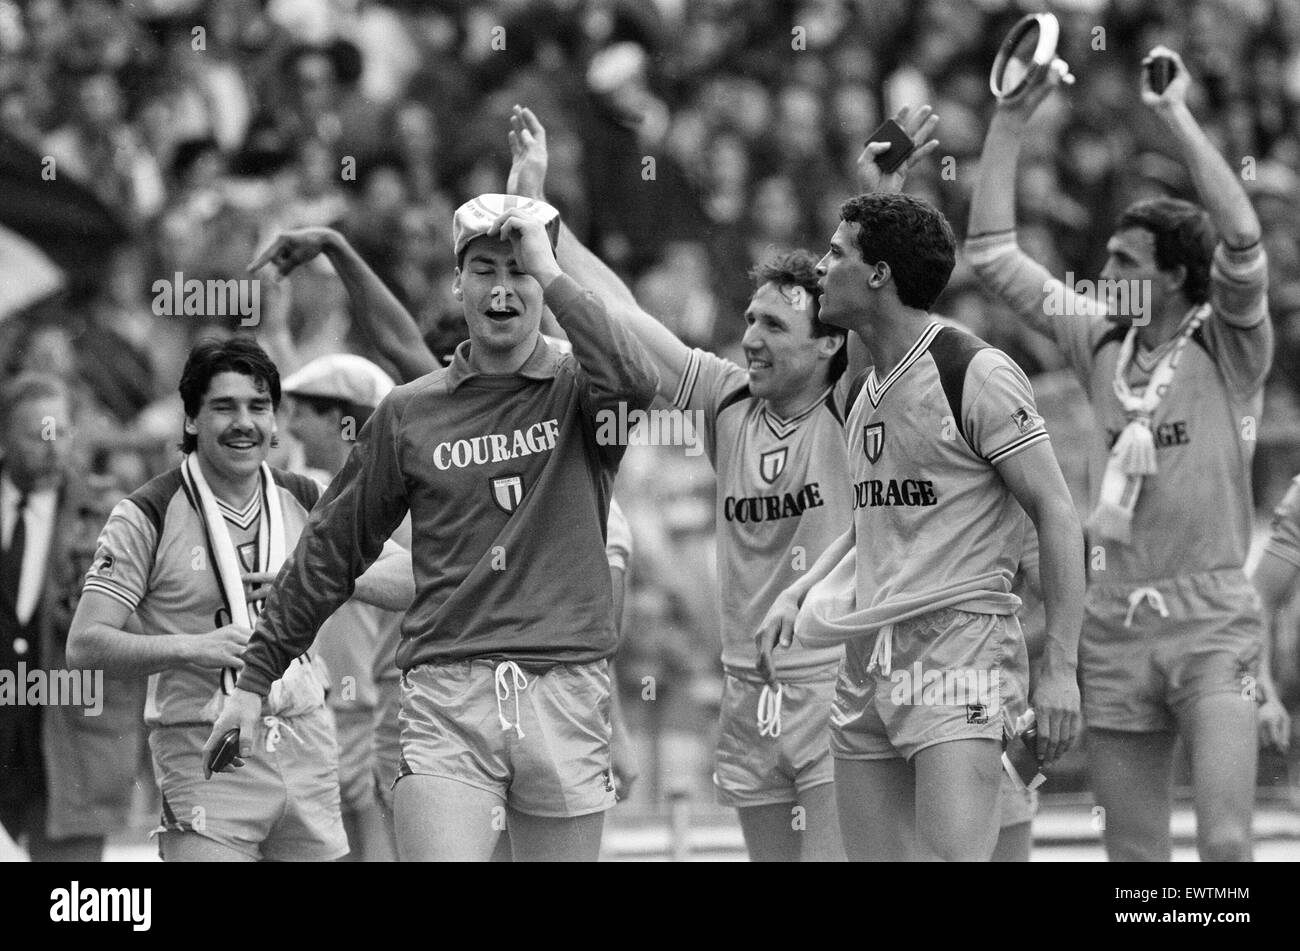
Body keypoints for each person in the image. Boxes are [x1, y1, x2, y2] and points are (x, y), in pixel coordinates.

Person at [504, 104, 935, 861]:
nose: (752, 338)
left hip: (839, 681)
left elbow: (881, 307)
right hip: (748, 689)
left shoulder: (855, 400)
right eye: (750, 319)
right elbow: (623, 313)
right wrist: (542, 217)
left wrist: (882, 192)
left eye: (775, 326)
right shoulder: (725, 398)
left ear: (831, 341)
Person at [204, 195, 659, 861]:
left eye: (518, 269)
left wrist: (554, 269)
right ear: (457, 282)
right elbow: (331, 548)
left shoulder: (579, 390)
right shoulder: (410, 411)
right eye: (483, 269)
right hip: (448, 692)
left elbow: (638, 378)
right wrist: (252, 682)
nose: (502, 287)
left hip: (565, 685)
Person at [967, 46, 1271, 861]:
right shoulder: (1099, 334)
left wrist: (1174, 117)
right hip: (1114, 622)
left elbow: (1241, 239)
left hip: (1211, 621)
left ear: (1174, 277)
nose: (1103, 271)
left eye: (1124, 264)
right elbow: (993, 256)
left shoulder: (1230, 346)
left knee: (1230, 848)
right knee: (1135, 861)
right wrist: (1007, 121)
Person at [758, 191, 1085, 862]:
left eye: (837, 253)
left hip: (959, 653)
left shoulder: (976, 373)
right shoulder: (856, 382)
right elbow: (877, 521)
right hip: (868, 654)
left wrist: (1061, 671)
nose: (821, 267)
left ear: (878, 275)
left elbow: (1056, 513)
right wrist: (802, 590)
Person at [68, 337, 414, 862]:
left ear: (276, 422)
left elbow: (410, 578)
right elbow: (86, 646)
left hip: (305, 743)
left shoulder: (306, 495)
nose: (244, 422)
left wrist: (321, 578)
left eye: (258, 407)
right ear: (190, 420)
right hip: (205, 750)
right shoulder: (147, 513)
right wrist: (192, 648)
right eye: (223, 407)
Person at [1, 372, 144, 861]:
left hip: (70, 745)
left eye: (60, 433)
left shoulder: (110, 514)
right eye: (36, 435)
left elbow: (137, 627)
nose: (52, 448)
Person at [281, 353, 410, 862]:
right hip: (327, 722)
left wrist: (366, 732)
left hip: (371, 727)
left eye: (302, 413)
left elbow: (385, 635)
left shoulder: (390, 509)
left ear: (340, 420)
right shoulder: (320, 499)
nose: (289, 426)